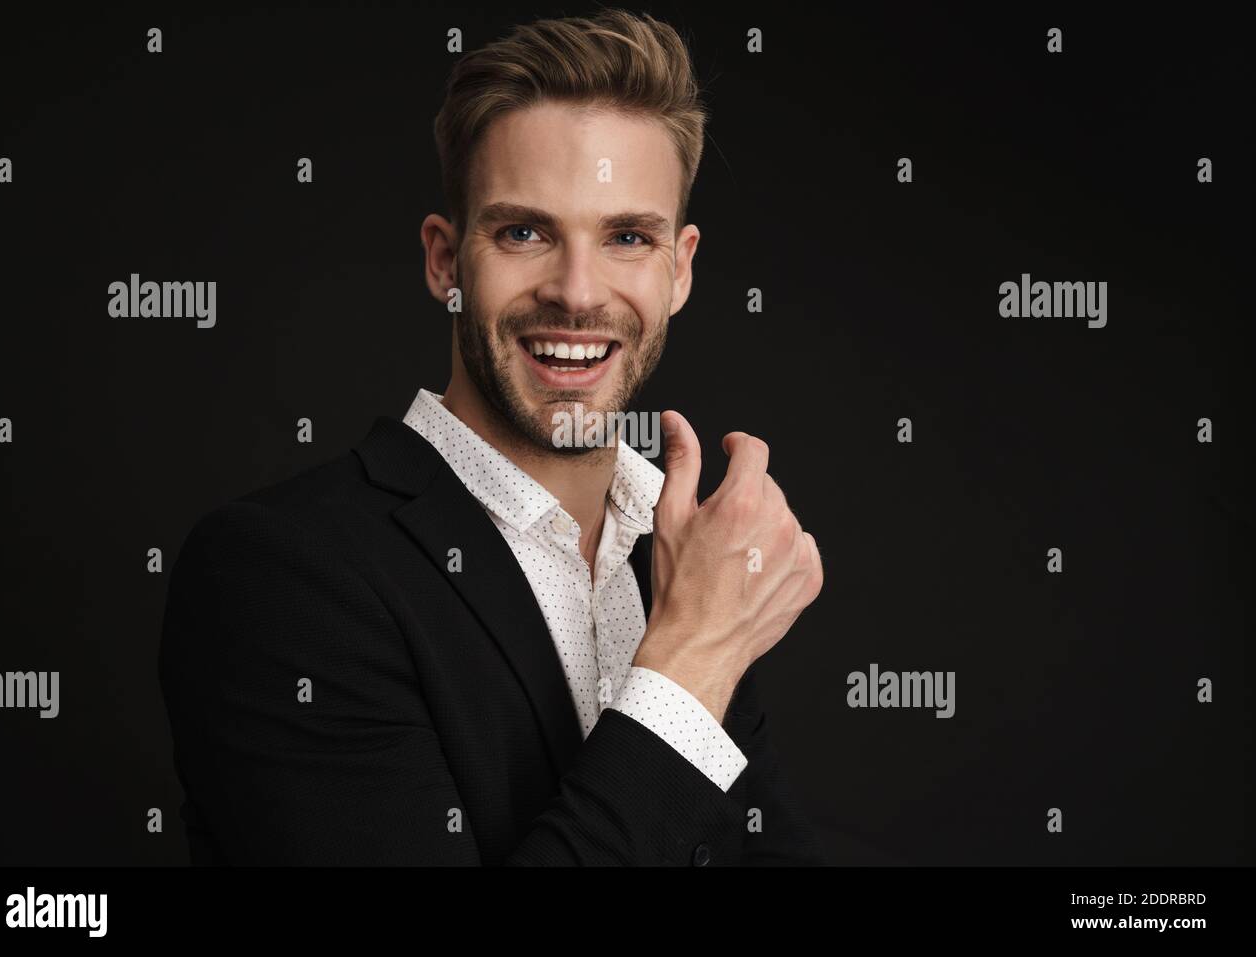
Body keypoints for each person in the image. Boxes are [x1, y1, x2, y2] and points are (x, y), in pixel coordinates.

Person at [158, 8, 826, 865]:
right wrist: (695, 656)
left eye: (627, 236)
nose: (578, 293)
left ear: (680, 269)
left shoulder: (678, 556)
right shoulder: (279, 577)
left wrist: (699, 631)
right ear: (445, 262)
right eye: (524, 232)